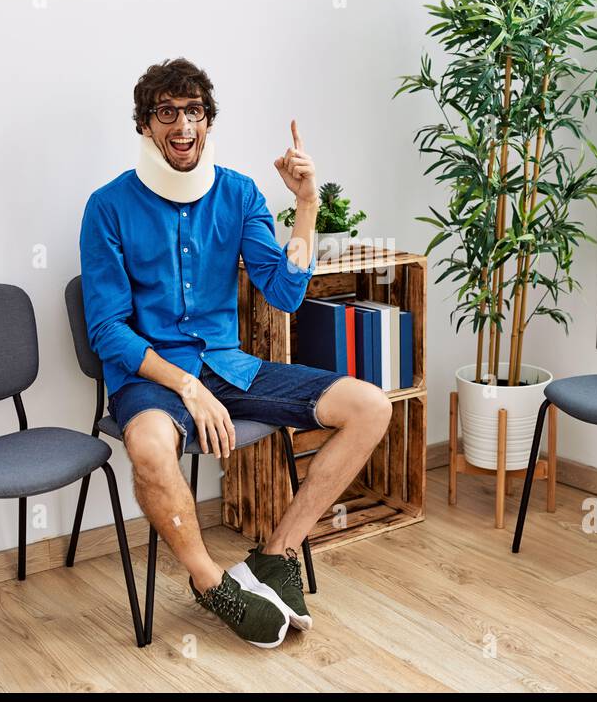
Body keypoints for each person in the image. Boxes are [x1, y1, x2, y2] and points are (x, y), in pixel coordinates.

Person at [79, 58, 391, 648]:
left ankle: (277, 554)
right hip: (150, 377)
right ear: (145, 126)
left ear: (208, 121)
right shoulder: (108, 207)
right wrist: (186, 387)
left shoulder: (240, 193)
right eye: (165, 113)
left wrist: (305, 205)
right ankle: (209, 580)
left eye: (193, 111)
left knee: (370, 406)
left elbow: (286, 291)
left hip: (228, 366)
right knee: (148, 442)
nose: (181, 125)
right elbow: (108, 331)